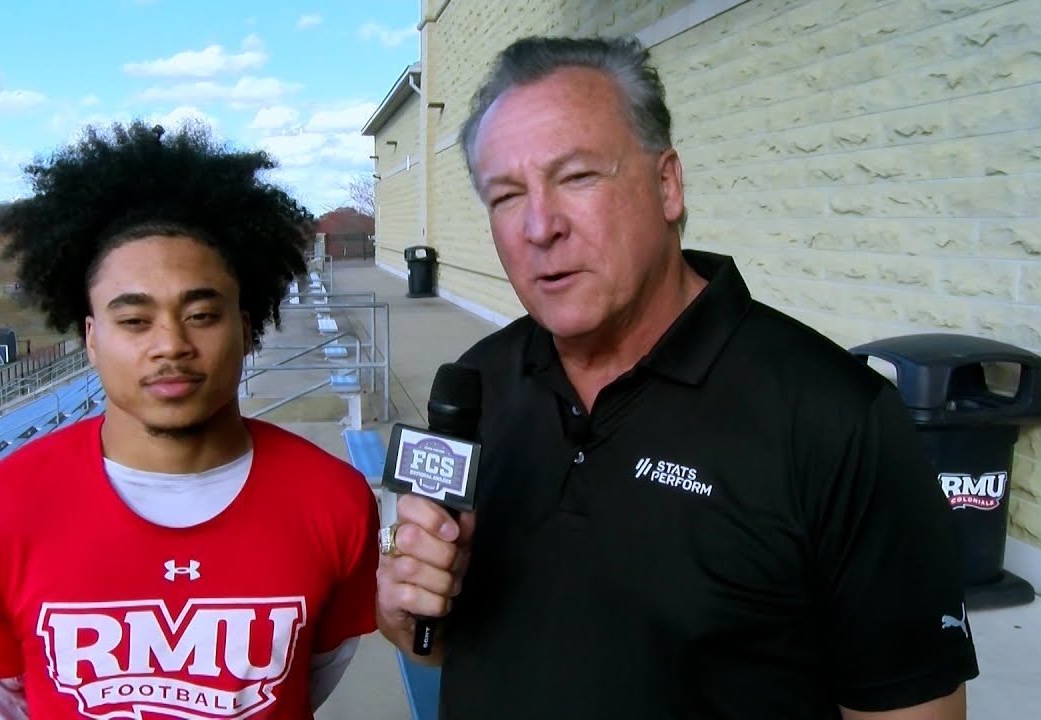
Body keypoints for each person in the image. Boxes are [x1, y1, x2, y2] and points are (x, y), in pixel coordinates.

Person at [375, 36, 979, 719]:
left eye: (577, 177)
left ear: (667, 185)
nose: (539, 226)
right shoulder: (477, 383)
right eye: (507, 195)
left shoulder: (836, 418)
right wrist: (410, 611)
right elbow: (443, 645)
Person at [0, 120, 380, 719]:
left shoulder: (335, 502)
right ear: (91, 338)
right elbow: (2, 703)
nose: (170, 344)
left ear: (248, 329)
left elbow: (308, 680)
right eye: (134, 320)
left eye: (200, 314)